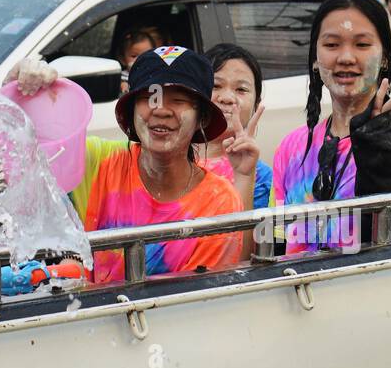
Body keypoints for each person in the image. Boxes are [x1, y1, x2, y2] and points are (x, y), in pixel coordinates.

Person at [27, 45, 259, 282]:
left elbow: (193, 305)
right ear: (131, 109)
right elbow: (17, 157)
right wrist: (21, 92)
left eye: (178, 100)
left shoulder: (219, 202)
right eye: (149, 98)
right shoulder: (98, 161)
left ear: (203, 116)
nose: (161, 110)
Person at [272, 0, 391, 254]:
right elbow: (278, 244)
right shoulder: (292, 147)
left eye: (362, 45)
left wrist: (378, 175)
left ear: (385, 56)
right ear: (315, 59)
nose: (346, 57)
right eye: (331, 45)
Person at [198, 43, 274, 210]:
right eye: (215, 86)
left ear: (256, 103)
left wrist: (245, 177)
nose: (227, 98)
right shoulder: (171, 161)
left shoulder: (261, 177)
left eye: (241, 89)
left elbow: (247, 237)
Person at [118, 26, 166, 94]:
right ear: (123, 59)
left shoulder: (156, 73)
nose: (140, 59)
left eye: (146, 54)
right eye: (134, 56)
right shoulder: (123, 76)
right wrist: (123, 86)